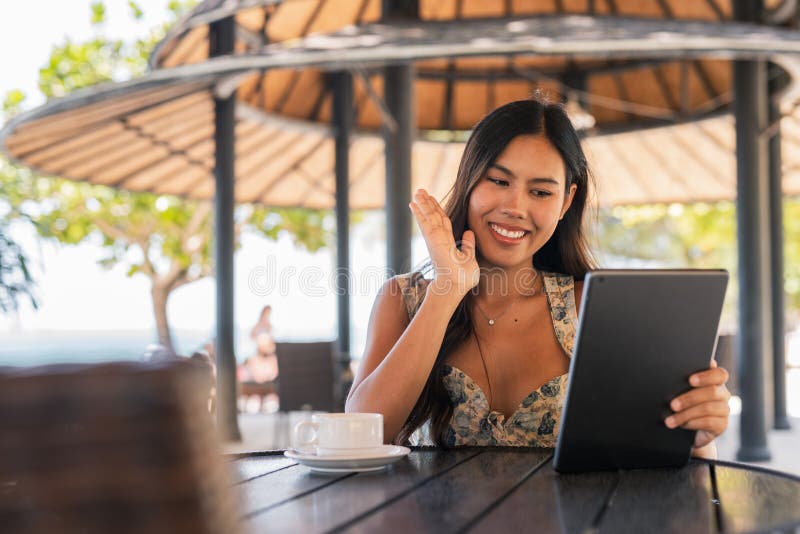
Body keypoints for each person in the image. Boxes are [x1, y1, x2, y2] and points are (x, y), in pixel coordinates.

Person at [346, 96, 730, 457]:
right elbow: (360, 436)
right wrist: (447, 289)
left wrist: (696, 435)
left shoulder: (593, 308)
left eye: (541, 192)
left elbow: (670, 466)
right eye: (499, 181)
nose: (515, 207)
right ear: (469, 180)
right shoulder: (403, 300)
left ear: (566, 202)